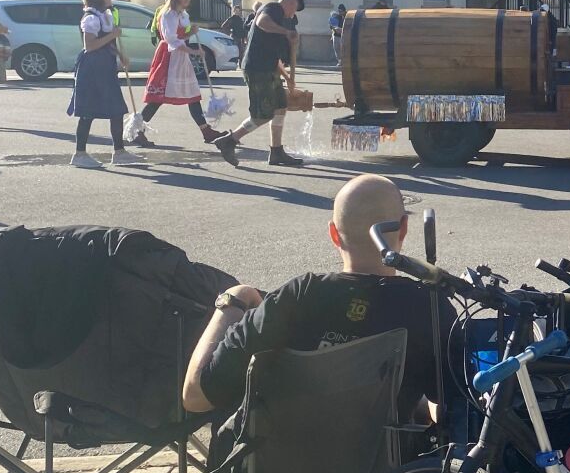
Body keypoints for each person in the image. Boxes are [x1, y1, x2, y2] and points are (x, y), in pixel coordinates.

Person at [180, 175, 447, 454]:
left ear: (333, 233)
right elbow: (450, 413)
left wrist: (232, 299)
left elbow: (195, 395)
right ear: (403, 229)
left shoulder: (296, 297)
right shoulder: (427, 306)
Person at [210, 0, 304, 167]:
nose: (293, 14)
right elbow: (261, 22)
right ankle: (229, 140)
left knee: (280, 107)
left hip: (269, 69)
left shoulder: (279, 19)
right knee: (262, 115)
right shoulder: (272, 9)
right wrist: (286, 32)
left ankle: (276, 151)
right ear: (291, 2)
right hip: (257, 70)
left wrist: (287, 78)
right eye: (295, 8)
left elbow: (275, 57)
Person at [132, 0, 219, 146]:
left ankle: (205, 130)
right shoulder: (168, 15)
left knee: (192, 93)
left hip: (180, 57)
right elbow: (171, 39)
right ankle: (138, 130)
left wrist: (190, 32)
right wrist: (193, 51)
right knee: (158, 97)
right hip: (169, 57)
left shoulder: (182, 14)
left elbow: (181, 36)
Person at [68, 0, 143, 168]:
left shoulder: (103, 16)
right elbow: (90, 45)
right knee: (88, 111)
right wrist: (113, 35)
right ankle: (79, 153)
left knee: (116, 109)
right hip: (92, 68)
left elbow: (106, 42)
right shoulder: (90, 18)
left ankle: (119, 152)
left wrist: (120, 55)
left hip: (104, 67)